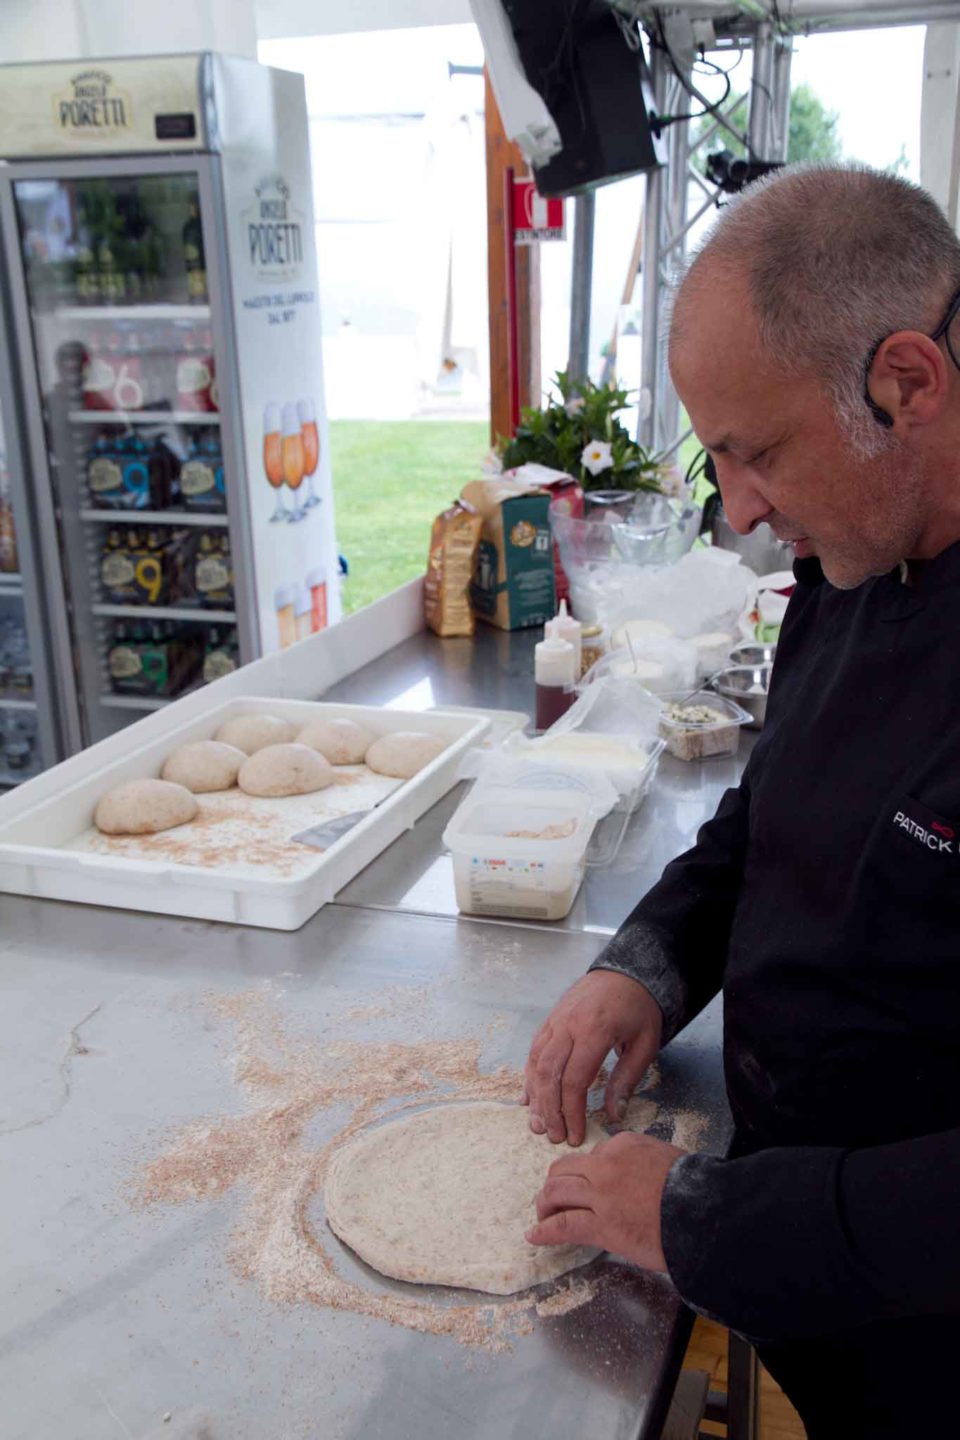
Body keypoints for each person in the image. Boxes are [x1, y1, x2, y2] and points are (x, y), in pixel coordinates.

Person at [521, 164, 960, 1439]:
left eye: (753, 452)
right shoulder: (861, 543)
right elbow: (770, 818)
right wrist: (646, 966)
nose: (742, 513)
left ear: (908, 384)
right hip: (821, 1305)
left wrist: (706, 1218)